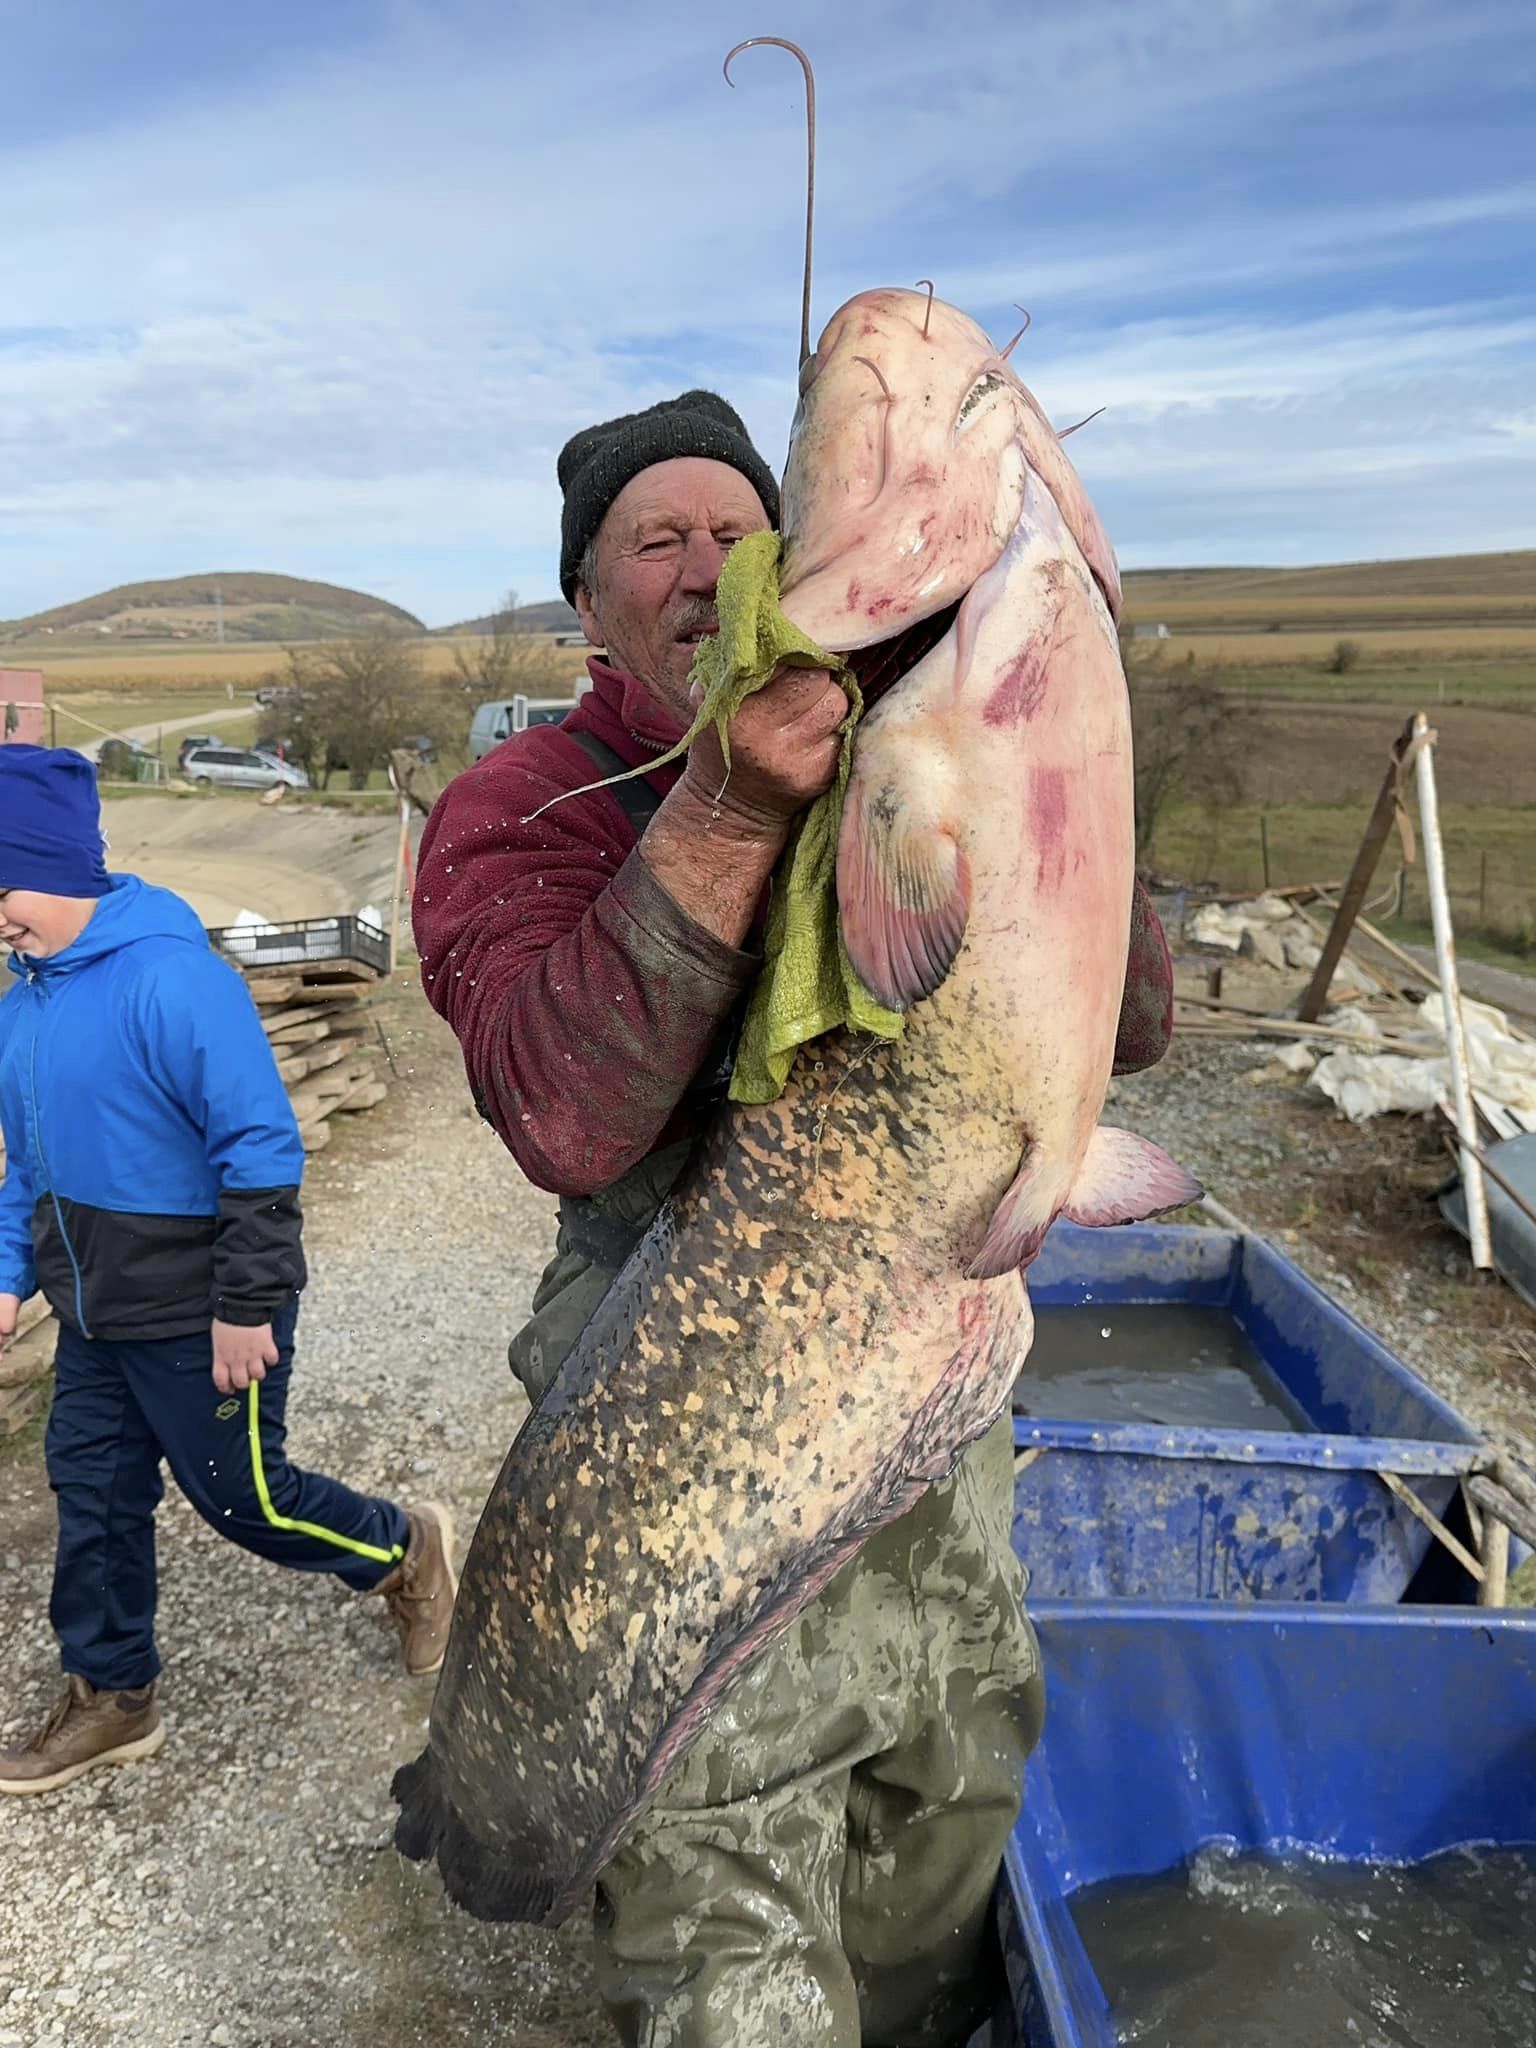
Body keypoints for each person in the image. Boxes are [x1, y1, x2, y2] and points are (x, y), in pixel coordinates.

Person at [413, 392, 1175, 2046]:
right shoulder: (522, 803)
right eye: (654, 539)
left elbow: (1120, 1032)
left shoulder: (913, 715)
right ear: (587, 596)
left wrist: (1067, 742)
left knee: (939, 1824)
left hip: (930, 1392)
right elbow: (560, 1108)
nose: (703, 566)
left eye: (732, 528)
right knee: (724, 1916)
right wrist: (731, 808)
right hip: (678, 1430)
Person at [0, 746, 458, 1797]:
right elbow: (23, 1171)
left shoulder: (173, 979)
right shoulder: (19, 1010)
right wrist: (6, 1276)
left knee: (246, 1497)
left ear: (57, 861)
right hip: (92, 1318)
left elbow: (259, 1146)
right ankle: (113, 1695)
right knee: (93, 1492)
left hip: (201, 1310)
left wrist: (245, 1305)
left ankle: (404, 1547)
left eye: (3, 889)